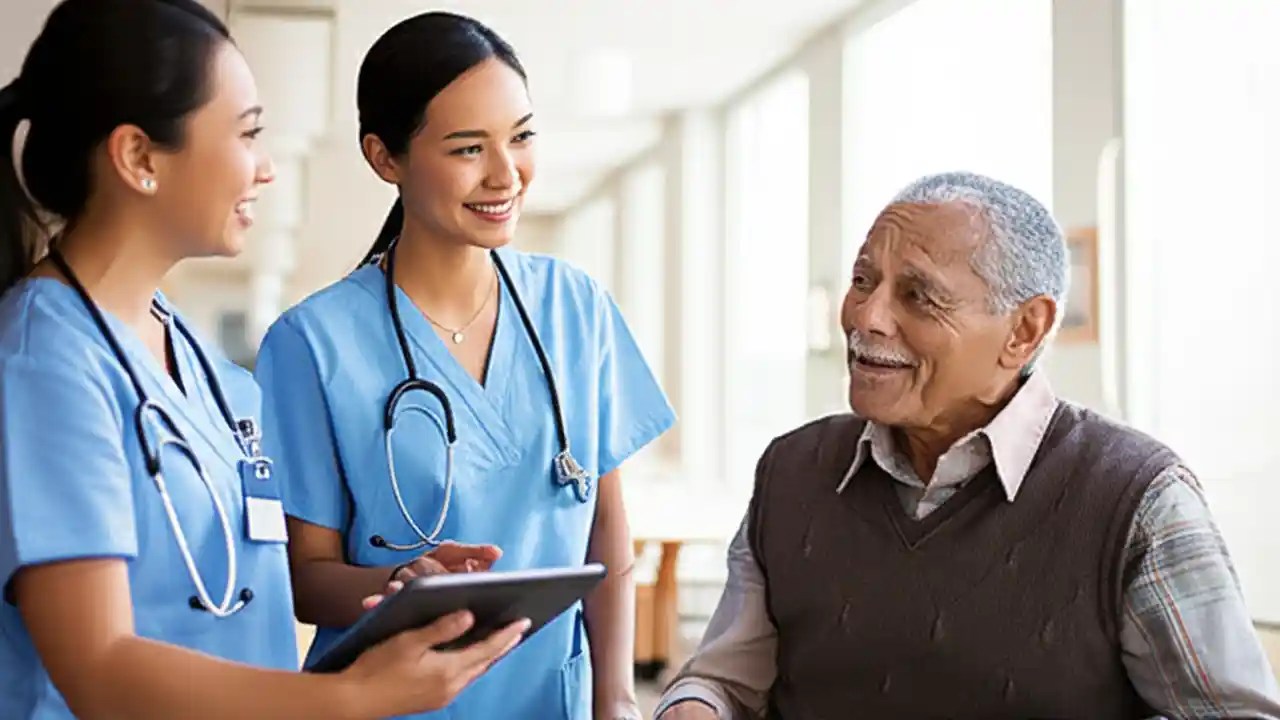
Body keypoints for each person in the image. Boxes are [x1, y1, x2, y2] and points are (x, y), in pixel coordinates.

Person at [0, 2, 529, 718]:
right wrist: (349, 697)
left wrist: (399, 584)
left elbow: (251, 582)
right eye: (248, 133)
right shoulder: (45, 360)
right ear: (139, 157)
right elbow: (98, 666)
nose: (269, 169)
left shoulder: (199, 365)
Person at [654, 171, 1280, 720]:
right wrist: (694, 703)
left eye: (917, 295)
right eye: (863, 280)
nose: (866, 317)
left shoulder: (1139, 498)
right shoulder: (792, 472)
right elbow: (725, 680)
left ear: (1024, 330)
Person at [254, 10, 675, 720]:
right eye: (467, 148)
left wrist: (618, 699)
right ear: (384, 157)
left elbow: (606, 533)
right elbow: (305, 577)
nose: (506, 173)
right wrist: (397, 582)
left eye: (522, 136)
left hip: (555, 701)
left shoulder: (576, 309)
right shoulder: (312, 343)